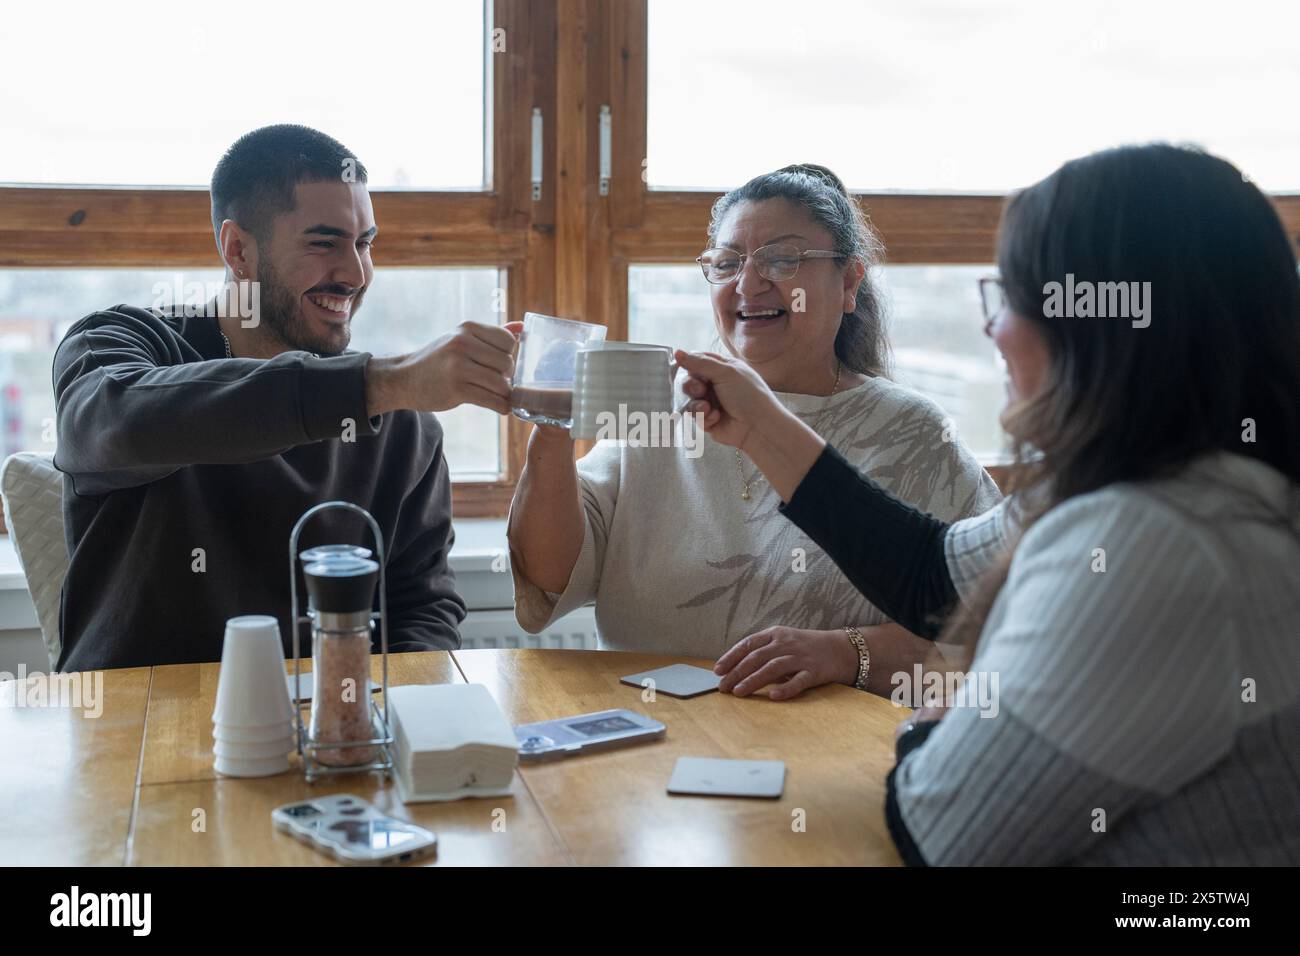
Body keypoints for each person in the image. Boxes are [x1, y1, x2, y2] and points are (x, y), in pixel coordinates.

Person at [675, 143, 1300, 865]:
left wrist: (939, 722)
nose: (993, 328)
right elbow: (935, 578)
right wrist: (758, 422)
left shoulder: (1156, 541)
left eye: (1016, 297)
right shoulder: (1174, 479)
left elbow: (947, 832)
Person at [509, 164, 999, 699]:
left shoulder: (914, 435)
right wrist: (550, 419)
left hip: (837, 751)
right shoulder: (655, 406)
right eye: (727, 263)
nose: (748, 283)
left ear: (849, 282)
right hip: (653, 742)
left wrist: (846, 652)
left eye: (782, 259)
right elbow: (548, 575)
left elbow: (992, 627)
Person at [53, 124, 519, 671]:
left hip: (328, 734)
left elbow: (421, 606)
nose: (354, 273)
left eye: (364, 243)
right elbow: (119, 426)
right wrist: (385, 383)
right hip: (135, 732)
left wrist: (396, 716)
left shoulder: (400, 422)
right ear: (238, 249)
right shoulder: (120, 345)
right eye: (324, 243)